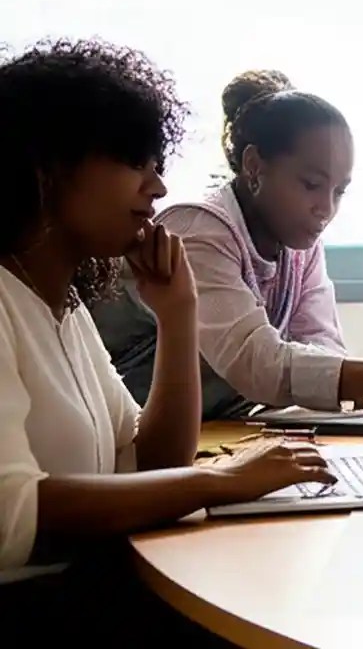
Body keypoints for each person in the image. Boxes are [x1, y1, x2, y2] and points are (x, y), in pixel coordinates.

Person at [0, 40, 335, 641]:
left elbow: (152, 461)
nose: (156, 188)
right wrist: (219, 480)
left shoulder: (61, 307)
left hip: (88, 590)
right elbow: (12, 514)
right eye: (136, 162)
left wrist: (179, 315)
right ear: (47, 169)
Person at [93, 70, 363, 419]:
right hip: (128, 433)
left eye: (339, 191)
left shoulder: (300, 242)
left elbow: (323, 345)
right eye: (311, 184)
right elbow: (260, 367)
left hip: (214, 428)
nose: (326, 209)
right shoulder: (196, 232)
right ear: (253, 166)